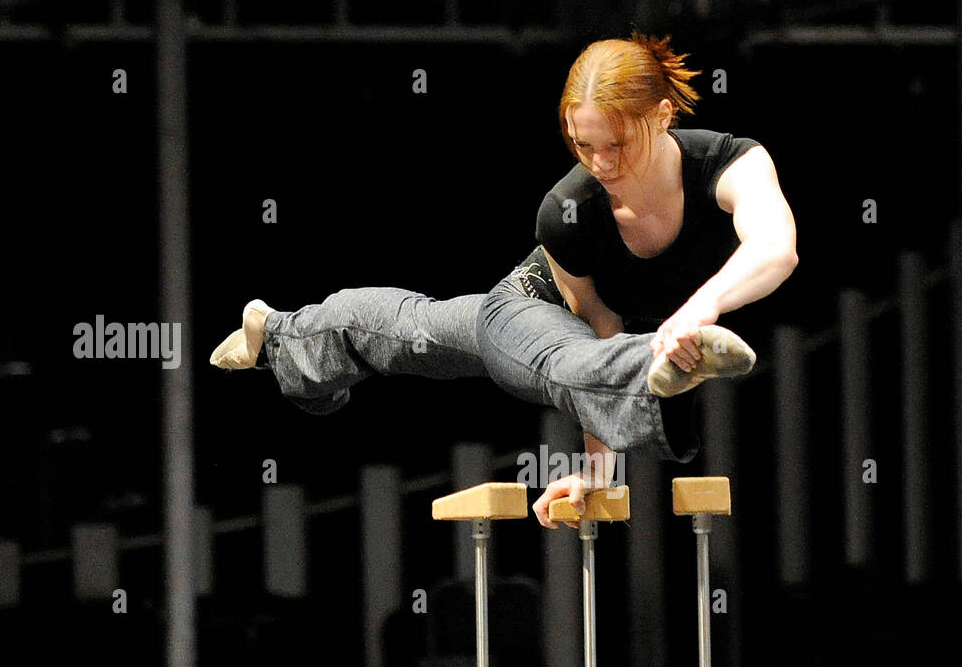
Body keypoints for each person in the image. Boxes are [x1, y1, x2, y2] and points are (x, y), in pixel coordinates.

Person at [210, 31, 798, 529]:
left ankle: (281, 337)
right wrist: (600, 468)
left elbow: (776, 249)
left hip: (605, 339)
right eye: (582, 144)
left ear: (663, 115)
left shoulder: (730, 163)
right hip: (529, 310)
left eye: (616, 144)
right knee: (507, 346)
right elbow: (591, 331)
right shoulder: (567, 207)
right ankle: (656, 368)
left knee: (414, 331)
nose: (600, 164)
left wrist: (701, 310)